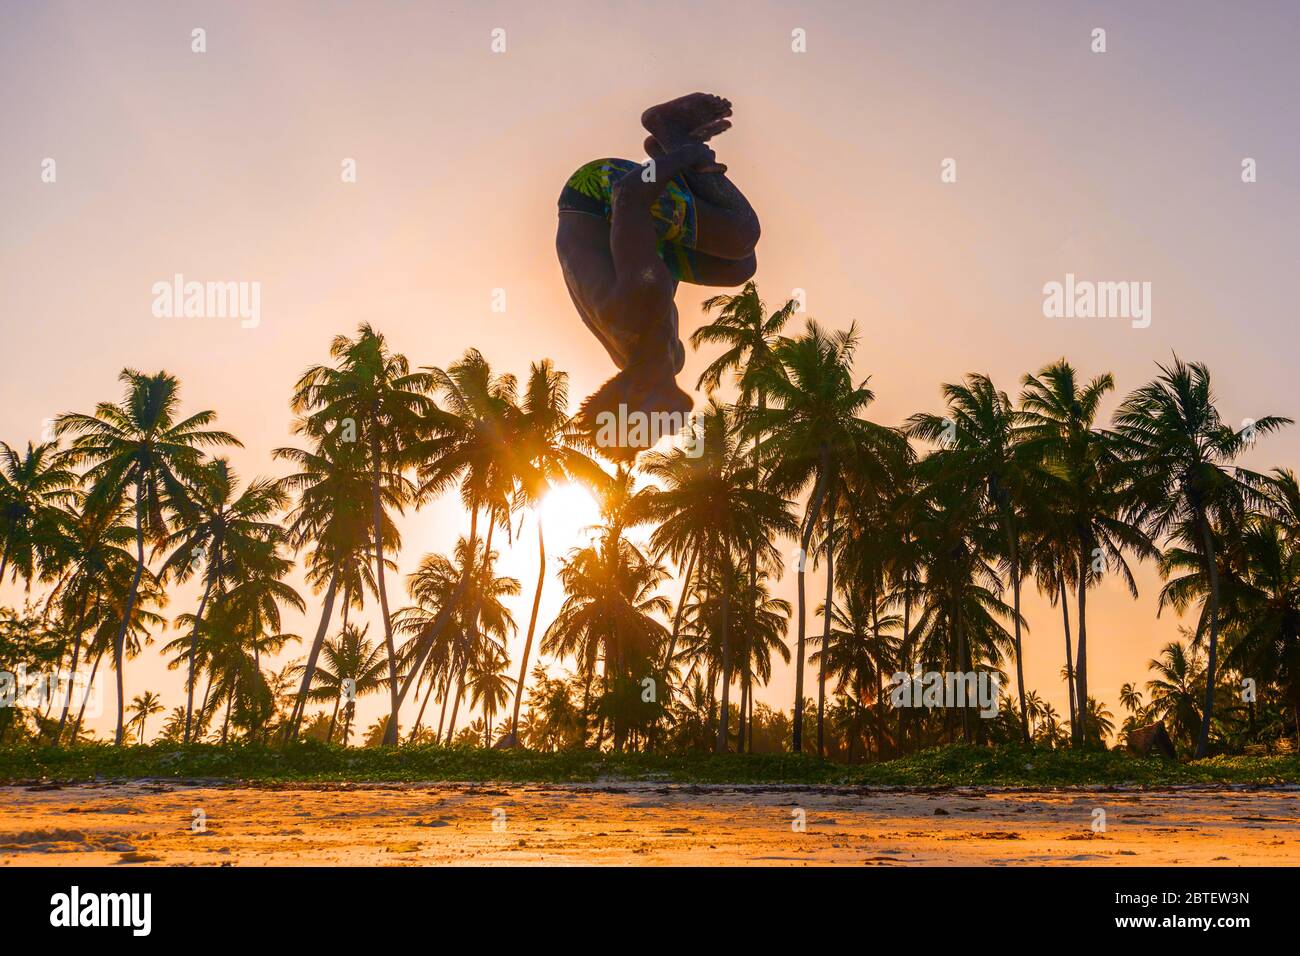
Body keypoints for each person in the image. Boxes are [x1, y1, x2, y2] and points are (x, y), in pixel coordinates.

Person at [555, 93, 761, 457]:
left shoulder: (636, 310)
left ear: (635, 395)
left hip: (597, 193)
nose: (668, 433)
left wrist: (686, 155)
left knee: (741, 235)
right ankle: (668, 147)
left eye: (653, 429)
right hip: (624, 224)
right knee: (739, 266)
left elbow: (629, 195)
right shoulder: (671, 358)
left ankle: (668, 127)